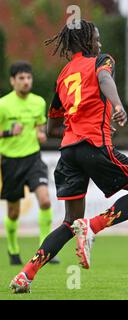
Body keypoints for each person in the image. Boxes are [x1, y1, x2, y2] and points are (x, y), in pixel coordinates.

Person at [9, 19, 128, 294]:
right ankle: (92, 226)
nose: (99, 43)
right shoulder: (101, 60)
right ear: (87, 41)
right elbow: (104, 78)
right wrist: (116, 105)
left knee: (68, 222)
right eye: (96, 38)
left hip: (68, 152)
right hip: (95, 146)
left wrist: (77, 120)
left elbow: (53, 126)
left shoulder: (64, 73)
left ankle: (25, 275)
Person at [0, 61, 59, 266]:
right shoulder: (3, 105)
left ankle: (45, 249)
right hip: (10, 162)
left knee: (45, 201)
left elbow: (40, 127)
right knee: (13, 212)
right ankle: (13, 249)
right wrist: (8, 132)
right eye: (21, 78)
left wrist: (40, 134)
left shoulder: (38, 102)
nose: (26, 82)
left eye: (28, 78)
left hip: (33, 159)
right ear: (12, 81)